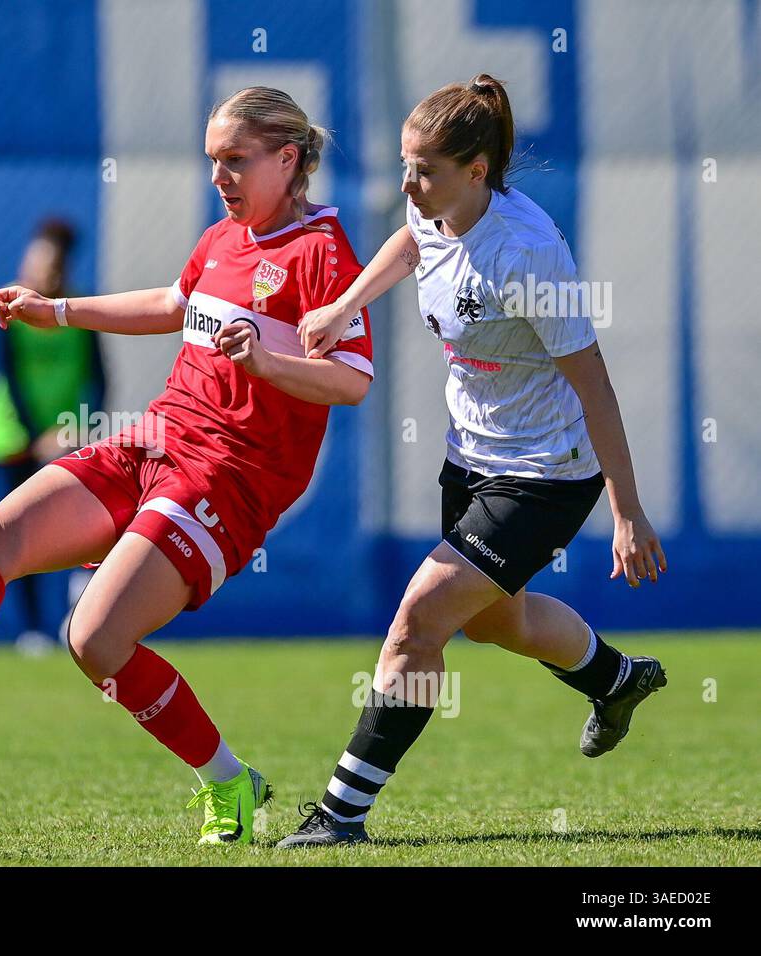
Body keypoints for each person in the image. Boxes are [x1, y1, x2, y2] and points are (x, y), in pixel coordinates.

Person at [0, 86, 375, 846]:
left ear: (287, 159)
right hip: (156, 440)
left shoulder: (324, 252)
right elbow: (171, 302)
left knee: (92, 638)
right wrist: (54, 310)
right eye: (212, 162)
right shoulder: (222, 238)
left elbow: (353, 381)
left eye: (236, 160)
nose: (220, 177)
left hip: (230, 477)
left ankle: (228, 783)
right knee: (0, 532)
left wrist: (264, 360)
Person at [278, 75, 668, 849]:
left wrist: (626, 511)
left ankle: (341, 815)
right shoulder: (435, 211)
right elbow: (408, 242)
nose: (406, 184)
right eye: (403, 164)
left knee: (418, 623)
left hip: (547, 474)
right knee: (500, 623)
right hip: (471, 458)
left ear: (479, 170)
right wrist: (344, 304)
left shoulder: (529, 253)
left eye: (423, 170)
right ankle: (615, 679)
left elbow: (596, 388)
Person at [0, 218, 106, 651]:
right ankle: (32, 630)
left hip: (64, 434)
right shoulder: (8, 304)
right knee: (16, 532)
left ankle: (80, 605)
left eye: (49, 264)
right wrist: (36, 437)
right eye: (34, 259)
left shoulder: (77, 307)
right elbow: (6, 374)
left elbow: (98, 374)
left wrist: (84, 426)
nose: (37, 269)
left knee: (82, 523)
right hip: (13, 436)